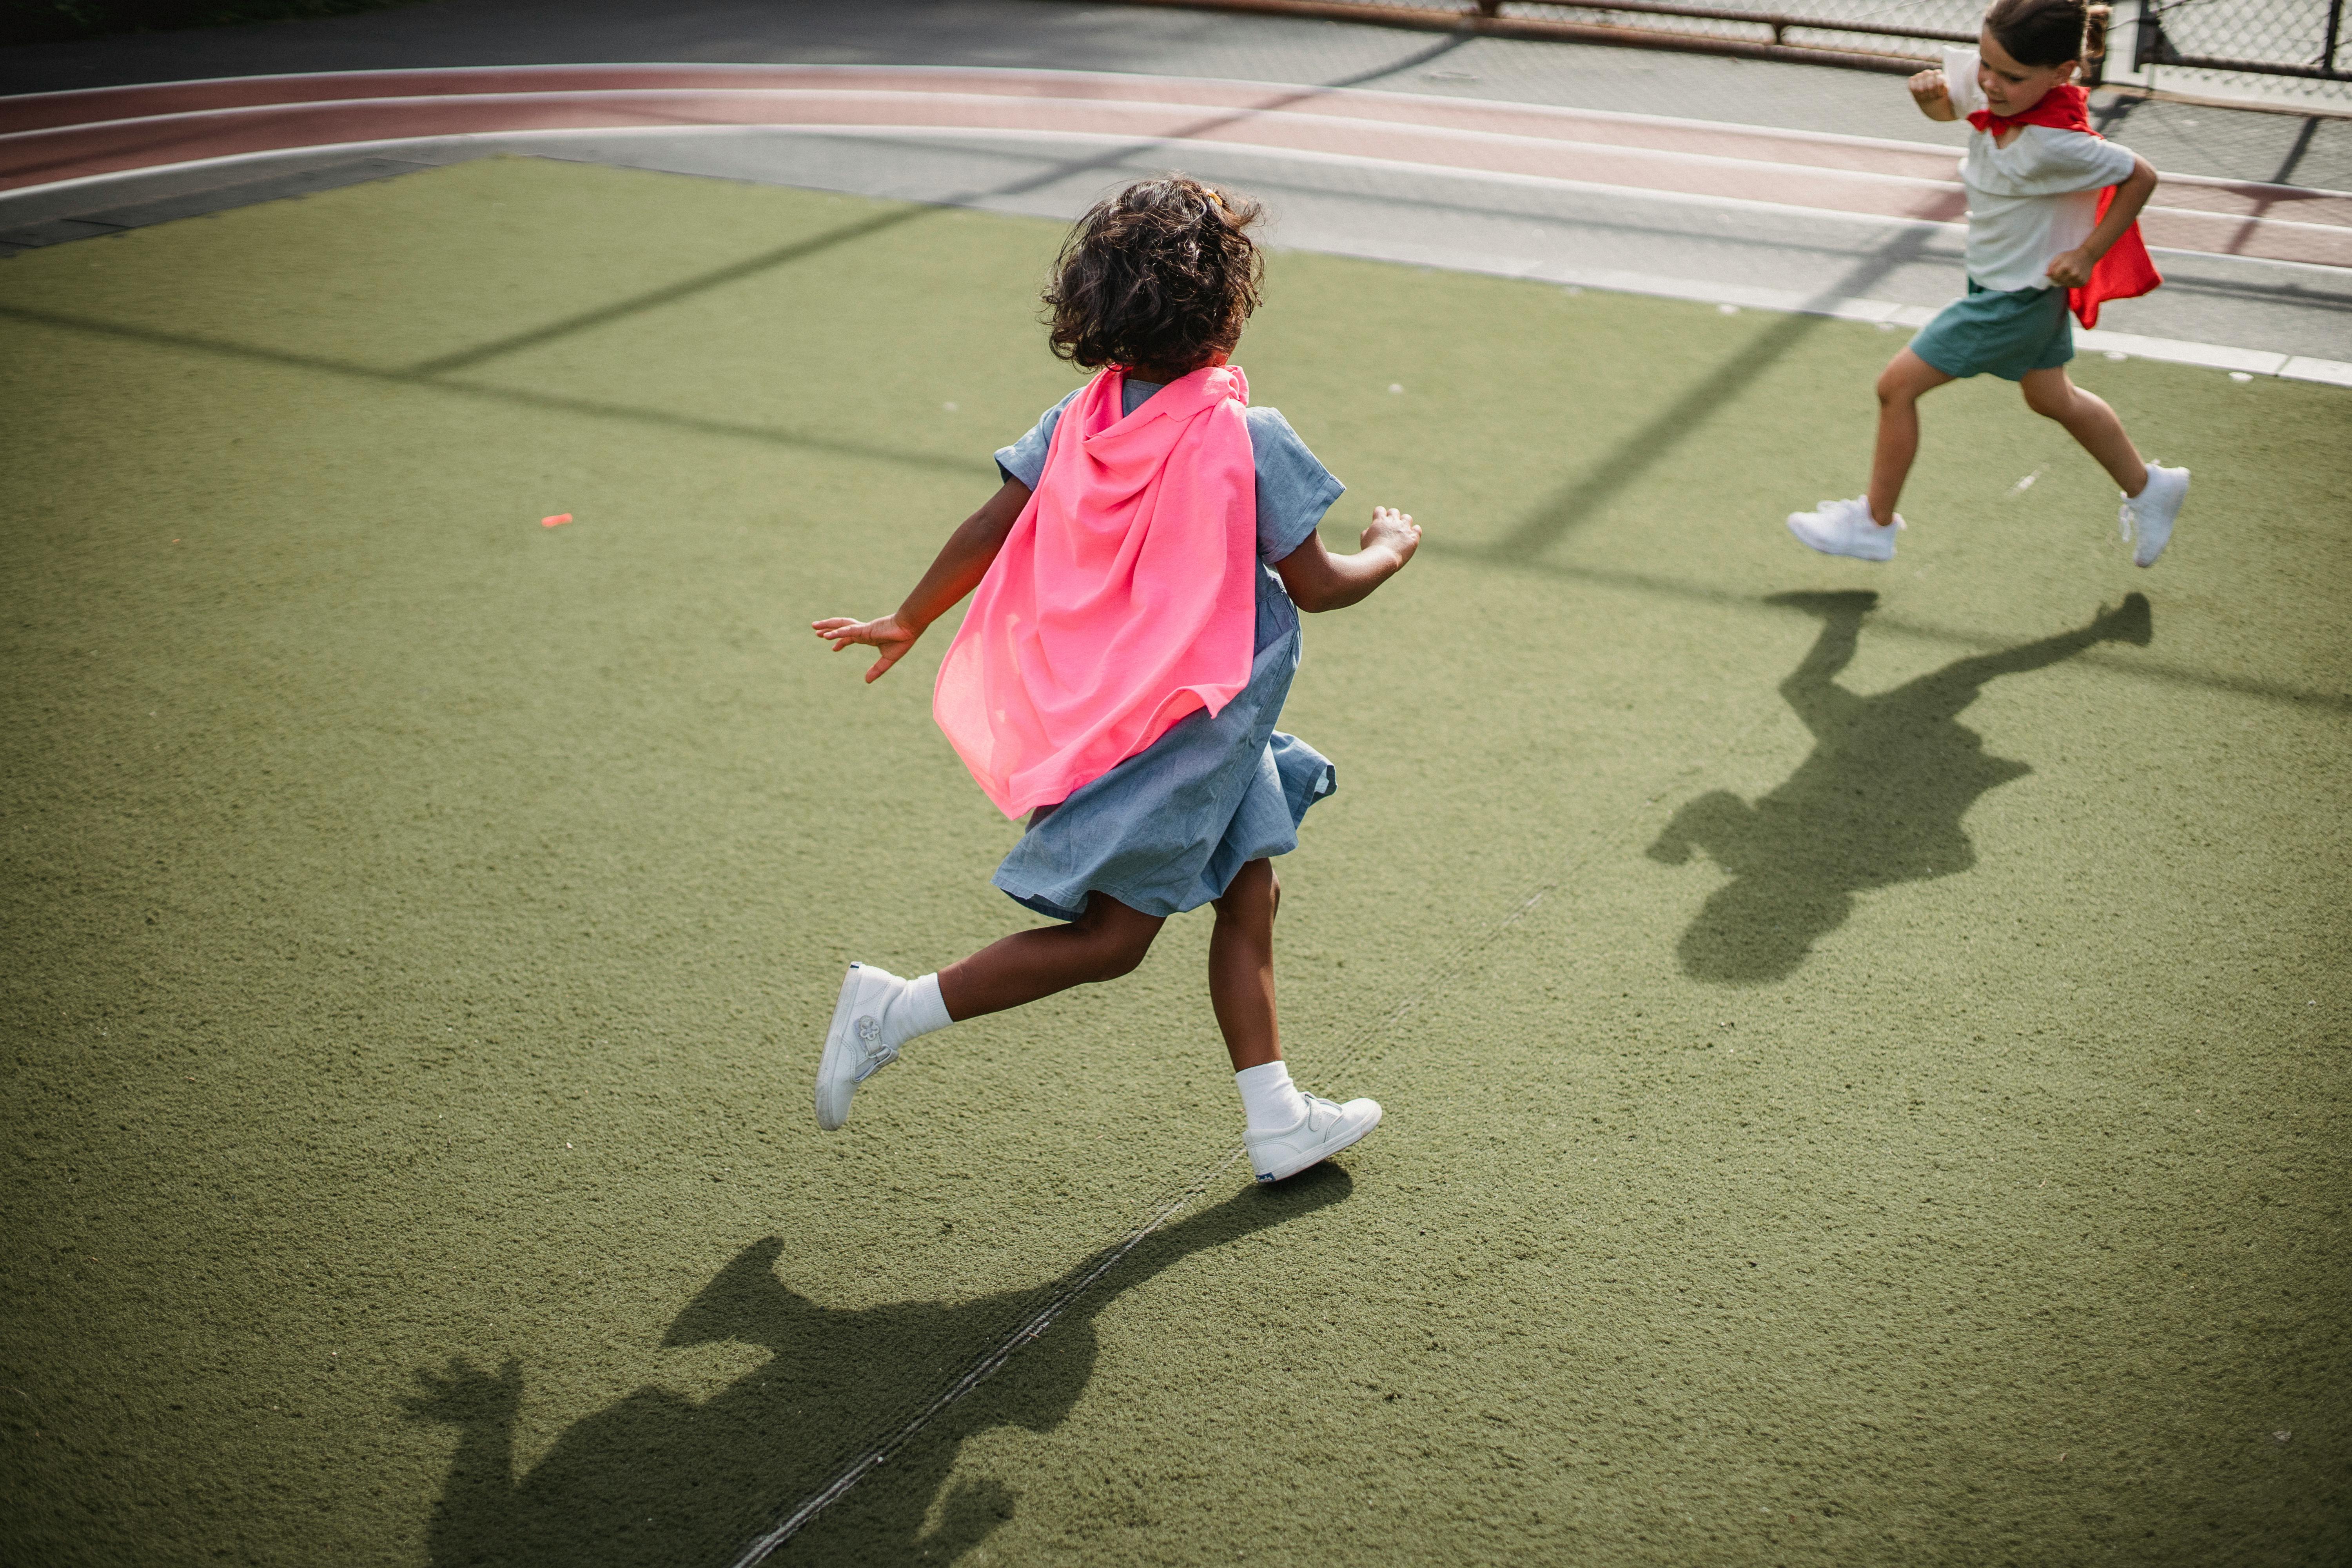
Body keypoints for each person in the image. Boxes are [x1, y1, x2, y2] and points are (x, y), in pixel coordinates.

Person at [808, 176, 1420, 1183]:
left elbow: (991, 522)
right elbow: (1315, 585)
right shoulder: (1248, 435)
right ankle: (893, 1008)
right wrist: (1389, 550)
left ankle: (1276, 1120)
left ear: (1093, 309)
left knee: (1249, 888)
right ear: (1227, 305)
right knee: (1111, 941)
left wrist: (912, 614)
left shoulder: (1081, 414)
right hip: (1184, 730)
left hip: (1173, 712)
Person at [1788, 0, 2189, 568]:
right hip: (1998, 283)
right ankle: (2150, 488)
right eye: (1985, 65)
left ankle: (1874, 525)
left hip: (2016, 298)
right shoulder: (2001, 83)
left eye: (2011, 77)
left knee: (1896, 387)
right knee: (2053, 397)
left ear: (2062, 75)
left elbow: (2141, 176)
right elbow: (1956, 107)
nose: (1991, 84)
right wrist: (1933, 106)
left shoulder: (2057, 142)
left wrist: (2088, 253)